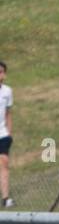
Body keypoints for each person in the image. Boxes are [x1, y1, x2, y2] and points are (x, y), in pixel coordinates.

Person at [0, 60, 11, 207]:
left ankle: (6, 197)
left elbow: (8, 112)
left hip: (2, 134)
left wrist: (9, 131)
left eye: (1, 72)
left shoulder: (7, 91)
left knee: (4, 164)